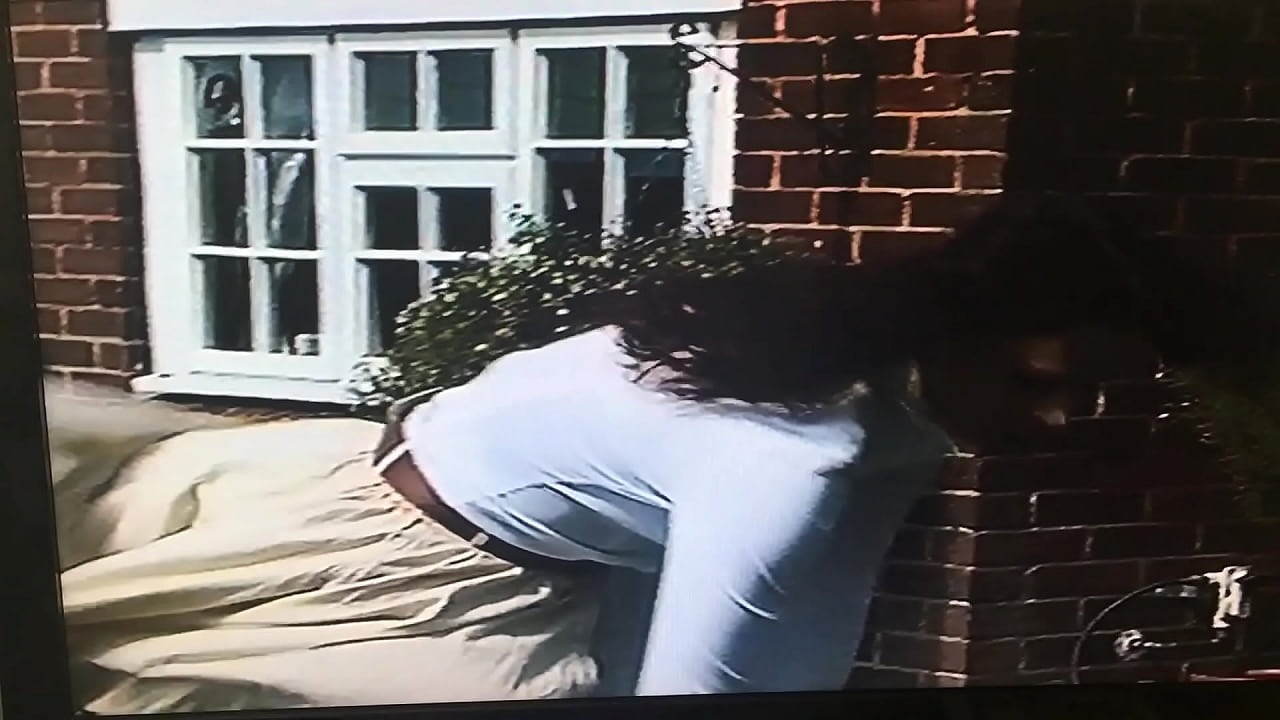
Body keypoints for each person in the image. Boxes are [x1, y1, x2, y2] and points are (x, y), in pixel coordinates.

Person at [47, 196, 1186, 712]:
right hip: (390, 587)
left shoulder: (829, 359)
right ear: (955, 329)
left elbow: (802, 638)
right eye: (1041, 383)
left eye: (1086, 391)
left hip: (403, 498)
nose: (1058, 422)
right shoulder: (789, 454)